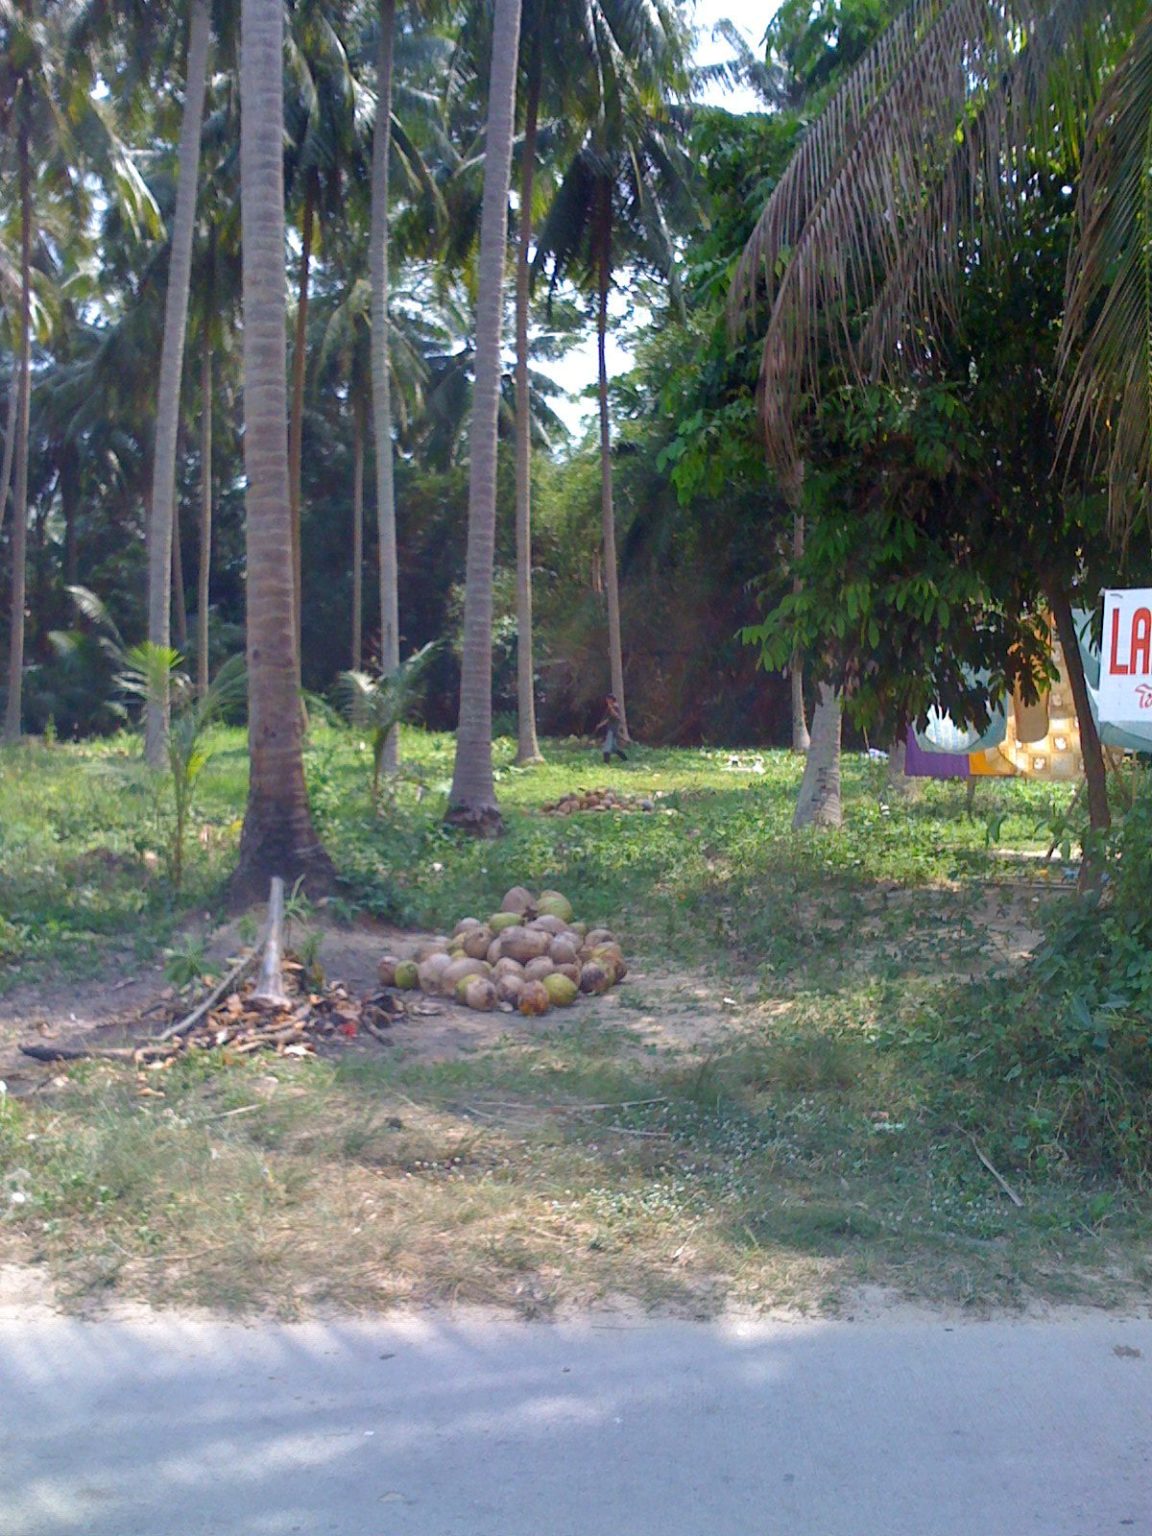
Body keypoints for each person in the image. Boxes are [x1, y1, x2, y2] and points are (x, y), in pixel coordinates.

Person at [595, 693, 628, 764]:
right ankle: (625, 759)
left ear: (611, 700)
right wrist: (600, 725)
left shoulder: (614, 707)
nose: (606, 700)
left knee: (607, 746)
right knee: (614, 747)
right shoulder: (611, 707)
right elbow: (608, 719)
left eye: (608, 699)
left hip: (612, 729)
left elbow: (616, 716)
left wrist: (611, 708)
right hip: (612, 729)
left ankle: (606, 762)